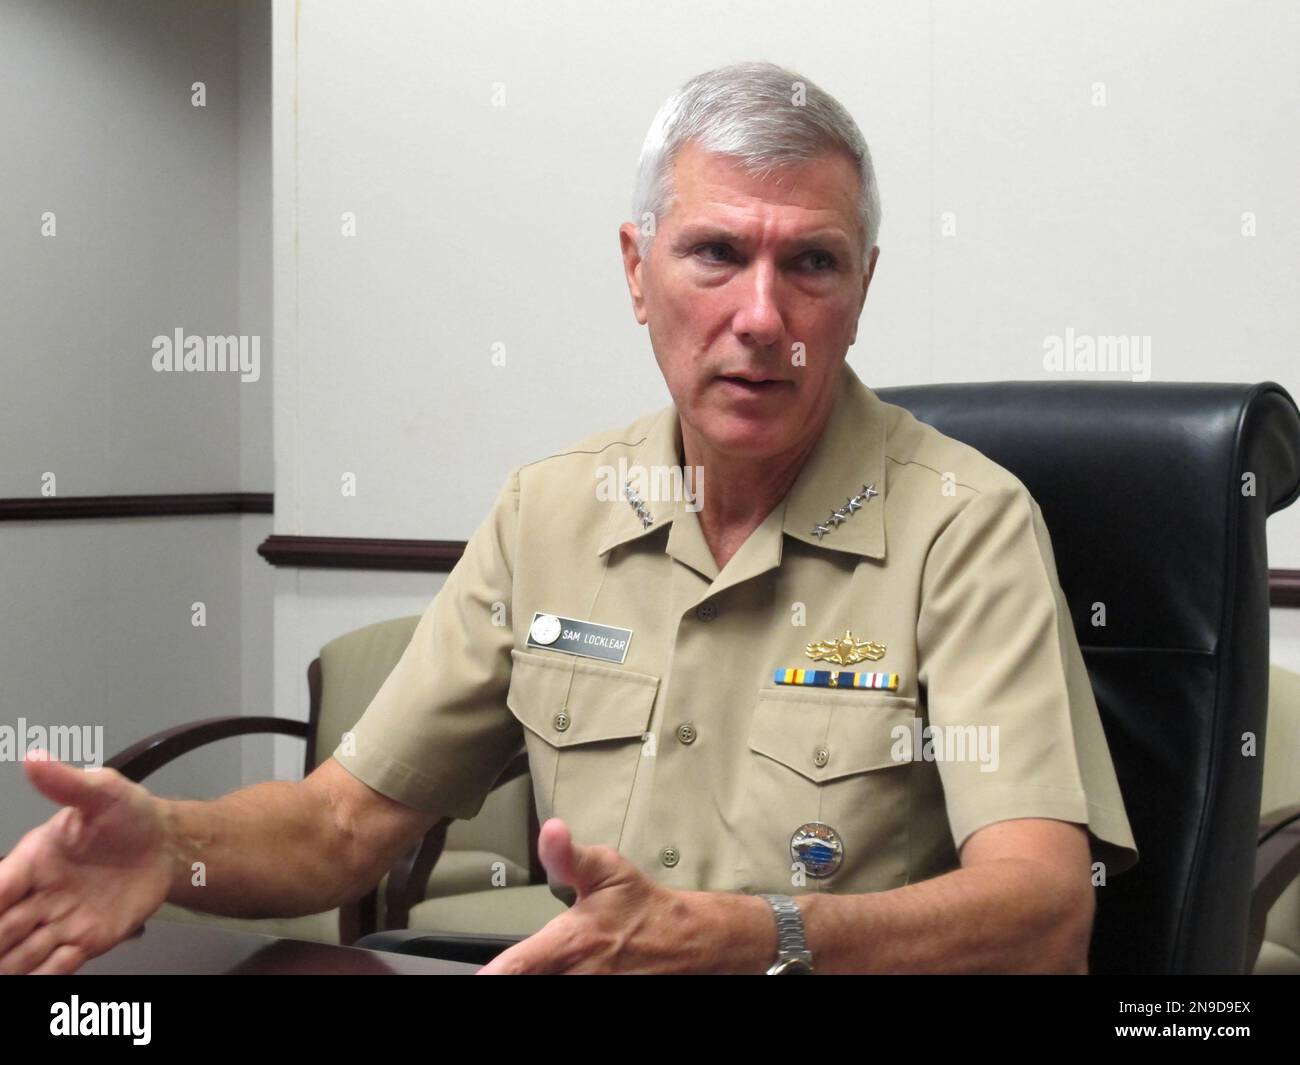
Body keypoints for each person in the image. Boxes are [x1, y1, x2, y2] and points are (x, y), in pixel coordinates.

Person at [0, 61, 1136, 976]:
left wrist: (757, 941)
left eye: (812, 264)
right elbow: (340, 829)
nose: (760, 313)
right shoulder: (550, 511)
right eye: (716, 253)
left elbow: (1039, 918)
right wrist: (173, 845)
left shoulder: (964, 525)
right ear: (637, 273)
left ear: (863, 289)